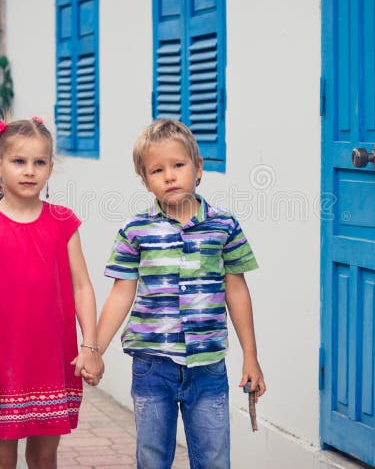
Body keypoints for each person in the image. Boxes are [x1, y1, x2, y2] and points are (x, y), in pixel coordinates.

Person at [97, 118, 267, 469]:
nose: (170, 176)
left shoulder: (224, 225)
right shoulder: (135, 230)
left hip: (208, 368)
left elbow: (237, 289)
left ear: (198, 168)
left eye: (178, 165)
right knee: (153, 459)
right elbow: (120, 293)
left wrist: (251, 356)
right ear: (145, 181)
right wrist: (93, 350)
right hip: (151, 366)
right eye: (157, 170)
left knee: (213, 460)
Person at [0, 114, 104, 469]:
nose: (29, 171)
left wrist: (91, 346)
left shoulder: (63, 222)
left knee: (44, 456)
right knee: (1, 457)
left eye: (39, 162)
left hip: (51, 361)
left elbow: (83, 286)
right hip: (1, 361)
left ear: (50, 168)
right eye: (19, 161)